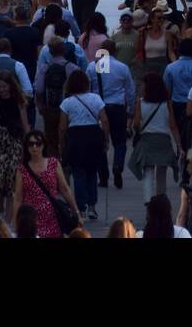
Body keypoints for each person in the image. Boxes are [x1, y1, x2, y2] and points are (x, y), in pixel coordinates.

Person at [59, 69, 109, 221]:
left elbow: (62, 127)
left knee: (78, 173)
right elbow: (105, 120)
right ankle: (93, 206)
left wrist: (62, 144)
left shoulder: (67, 102)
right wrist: (106, 139)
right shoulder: (96, 98)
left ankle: (81, 207)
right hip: (93, 135)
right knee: (92, 172)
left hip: (75, 137)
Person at [12, 130, 81, 238]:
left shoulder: (53, 163)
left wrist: (76, 211)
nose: (34, 147)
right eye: (31, 144)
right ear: (26, 147)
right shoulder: (22, 169)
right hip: (31, 219)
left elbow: (65, 189)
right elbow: (18, 198)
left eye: (38, 143)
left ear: (43, 145)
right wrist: (16, 222)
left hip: (53, 217)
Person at [0, 70, 30, 222]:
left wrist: (28, 144)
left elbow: (25, 125)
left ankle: (8, 221)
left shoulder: (18, 100)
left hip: (14, 141)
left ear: (11, 86)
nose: (1, 90)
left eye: (4, 87)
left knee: (12, 184)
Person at [88, 39, 135, 190]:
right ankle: (118, 165)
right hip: (118, 108)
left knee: (100, 143)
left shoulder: (91, 67)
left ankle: (103, 177)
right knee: (120, 142)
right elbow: (130, 91)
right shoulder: (122, 67)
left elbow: (87, 88)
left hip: (98, 108)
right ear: (115, 51)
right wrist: (131, 110)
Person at [130, 72, 183, 202]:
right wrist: (179, 145)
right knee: (162, 173)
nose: (141, 87)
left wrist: (136, 128)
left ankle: (148, 202)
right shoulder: (167, 103)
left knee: (148, 173)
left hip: (147, 140)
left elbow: (136, 124)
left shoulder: (140, 103)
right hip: (163, 141)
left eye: (143, 84)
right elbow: (173, 126)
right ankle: (160, 201)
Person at [34, 37, 80, 158]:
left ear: (50, 51)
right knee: (69, 137)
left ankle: (54, 167)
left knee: (51, 140)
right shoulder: (72, 68)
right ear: (64, 50)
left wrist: (40, 106)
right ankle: (67, 165)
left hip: (51, 108)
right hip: (70, 110)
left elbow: (38, 89)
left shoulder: (45, 68)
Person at [164, 39, 192, 178]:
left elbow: (167, 89)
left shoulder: (171, 67)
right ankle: (189, 166)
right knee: (191, 137)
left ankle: (180, 155)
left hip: (177, 105)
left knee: (179, 135)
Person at [137, 4, 178, 77]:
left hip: (163, 65)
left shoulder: (168, 34)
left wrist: (175, 64)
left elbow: (170, 52)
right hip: (148, 66)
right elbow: (139, 50)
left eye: (163, 18)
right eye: (159, 18)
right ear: (152, 19)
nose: (162, 20)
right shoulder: (144, 33)